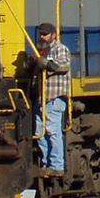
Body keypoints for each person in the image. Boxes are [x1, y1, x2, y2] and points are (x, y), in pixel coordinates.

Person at [33, 22, 71, 176]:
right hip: (42, 98)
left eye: (46, 34)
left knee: (53, 132)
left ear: (54, 35)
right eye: (41, 33)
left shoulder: (60, 49)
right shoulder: (42, 51)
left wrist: (47, 64)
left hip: (55, 97)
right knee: (40, 132)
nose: (42, 36)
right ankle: (46, 163)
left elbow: (64, 66)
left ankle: (57, 165)